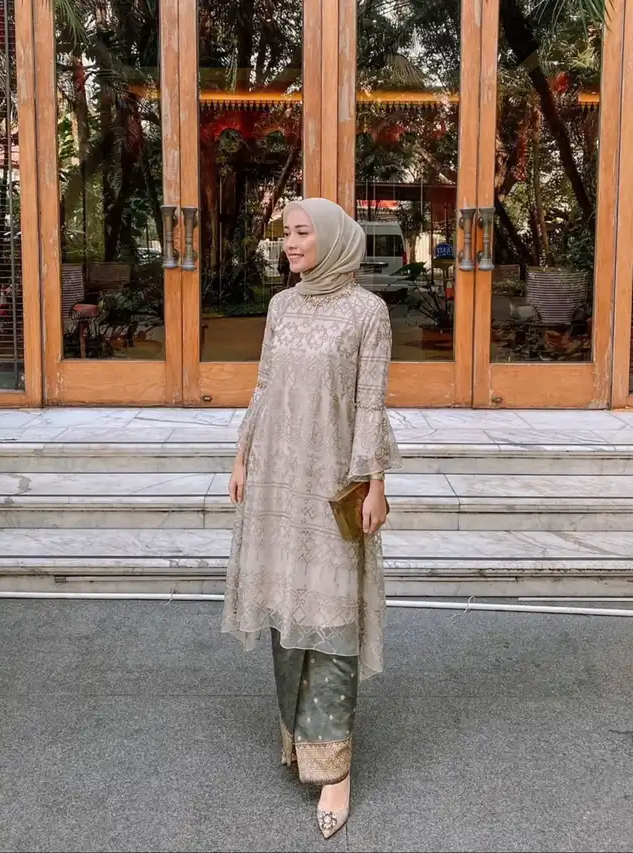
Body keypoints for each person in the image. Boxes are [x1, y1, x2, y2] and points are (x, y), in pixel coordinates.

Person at [223, 197, 401, 838]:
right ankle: (297, 737)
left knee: (331, 616)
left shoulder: (367, 312)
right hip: (277, 479)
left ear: (332, 238)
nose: (291, 243)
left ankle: (335, 770)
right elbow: (264, 385)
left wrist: (374, 483)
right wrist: (243, 454)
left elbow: (371, 404)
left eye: (302, 233)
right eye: (286, 234)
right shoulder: (280, 306)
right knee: (286, 607)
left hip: (332, 482)